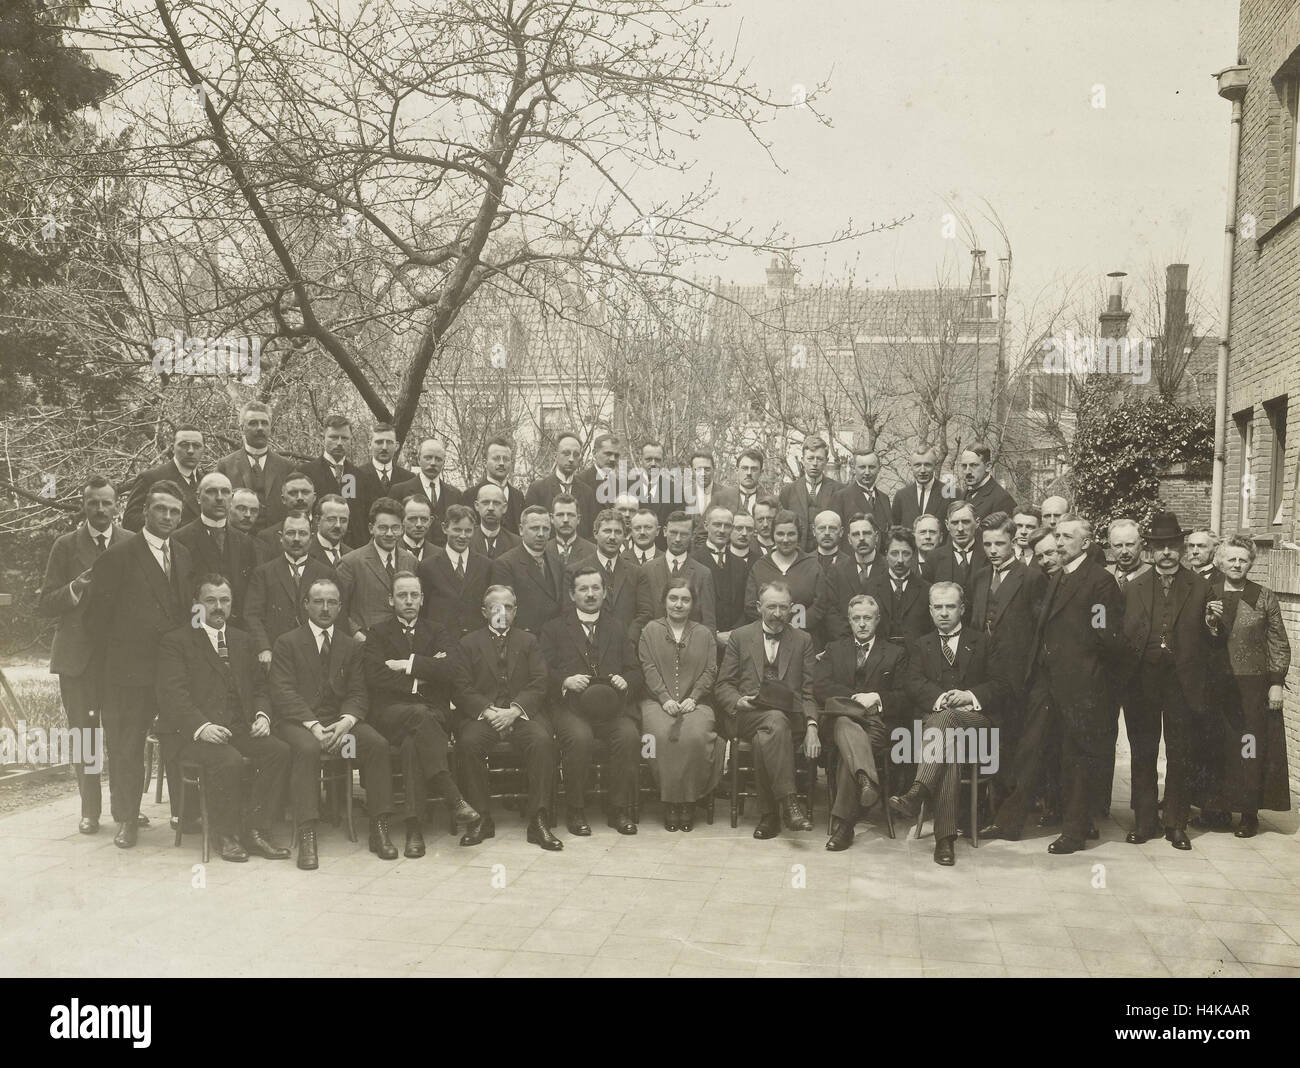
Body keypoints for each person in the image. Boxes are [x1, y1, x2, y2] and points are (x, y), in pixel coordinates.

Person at [984, 515, 1126, 854]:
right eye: (1057, 536)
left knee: (1075, 756)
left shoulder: (1100, 582)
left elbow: (1106, 637)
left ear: (1086, 543)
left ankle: (1075, 832)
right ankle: (1009, 823)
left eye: (1066, 537)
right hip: (1045, 681)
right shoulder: (1057, 576)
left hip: (1079, 684)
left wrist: (1085, 672)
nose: (1059, 543)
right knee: (1029, 751)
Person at [85, 480, 193, 848]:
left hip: (172, 671)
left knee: (180, 737)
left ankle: (185, 814)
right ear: (145, 511)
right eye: (160, 509)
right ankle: (126, 820)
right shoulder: (117, 556)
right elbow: (96, 622)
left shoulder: (184, 555)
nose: (167, 517)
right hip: (127, 674)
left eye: (174, 511)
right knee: (127, 747)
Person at [155, 574, 291, 862]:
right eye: (210, 600)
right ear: (196, 605)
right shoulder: (176, 641)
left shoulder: (242, 640)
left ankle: (257, 830)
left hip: (236, 727)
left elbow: (259, 687)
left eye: (225, 600)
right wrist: (201, 726)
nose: (219, 607)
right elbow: (173, 695)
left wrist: (262, 715)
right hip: (189, 733)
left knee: (278, 751)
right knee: (227, 759)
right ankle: (225, 834)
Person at [270, 577, 396, 869]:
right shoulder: (287, 642)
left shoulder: (350, 645)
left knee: (376, 744)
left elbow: (358, 691)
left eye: (331, 602)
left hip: (339, 725)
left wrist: (346, 722)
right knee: (308, 749)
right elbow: (283, 692)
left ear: (340, 607)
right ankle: (307, 831)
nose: (325, 608)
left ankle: (380, 827)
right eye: (318, 601)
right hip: (298, 724)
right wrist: (313, 725)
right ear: (306, 605)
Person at [1119, 511, 1221, 850]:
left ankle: (1176, 824)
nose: (1166, 552)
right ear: (1150, 550)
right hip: (1142, 681)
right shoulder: (1134, 587)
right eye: (1159, 546)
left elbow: (1215, 638)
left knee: (1180, 752)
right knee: (1143, 752)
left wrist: (1213, 623)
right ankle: (1145, 821)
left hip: (1183, 681)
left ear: (1180, 547)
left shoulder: (1202, 586)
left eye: (1171, 546)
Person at [38, 475, 133, 834]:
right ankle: (90, 811)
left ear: (116, 506)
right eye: (93, 502)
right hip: (78, 659)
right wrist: (74, 588)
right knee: (85, 736)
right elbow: (45, 602)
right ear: (83, 505)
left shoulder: (131, 542)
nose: (100, 509)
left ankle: (125, 809)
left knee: (122, 736)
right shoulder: (65, 546)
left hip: (120, 661)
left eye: (107, 502)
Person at [889, 582, 1008, 866]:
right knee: (948, 742)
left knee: (949, 720)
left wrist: (969, 695)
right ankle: (945, 840)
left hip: (976, 725)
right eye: (938, 607)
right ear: (930, 611)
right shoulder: (920, 645)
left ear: (962, 609)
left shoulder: (983, 641)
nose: (944, 613)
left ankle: (918, 791)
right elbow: (913, 683)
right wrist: (943, 697)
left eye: (950, 607)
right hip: (937, 729)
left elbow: (1001, 684)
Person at [362, 572, 480, 857]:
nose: (409, 601)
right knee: (419, 716)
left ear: (423, 599)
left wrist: (407, 663)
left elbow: (452, 669)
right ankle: (452, 797)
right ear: (391, 599)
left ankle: (414, 828)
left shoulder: (437, 630)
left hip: (431, 716)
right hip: (390, 715)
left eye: (414, 595)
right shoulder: (377, 633)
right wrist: (425, 673)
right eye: (402, 595)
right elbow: (375, 676)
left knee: (414, 744)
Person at [451, 586, 562, 850]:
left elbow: (539, 682)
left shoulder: (529, 641)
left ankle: (538, 819)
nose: (502, 613)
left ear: (516, 611)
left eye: (508, 607)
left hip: (521, 714)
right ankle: (480, 818)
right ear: (484, 612)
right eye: (495, 607)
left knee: (543, 742)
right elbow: (461, 687)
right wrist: (489, 711)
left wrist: (514, 711)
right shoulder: (468, 643)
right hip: (484, 715)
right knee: (468, 744)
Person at [540, 564, 643, 837]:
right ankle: (576, 809)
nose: (590, 594)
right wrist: (565, 681)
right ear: (572, 595)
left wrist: (626, 681)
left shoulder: (617, 627)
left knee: (629, 736)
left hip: (612, 709)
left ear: (605, 592)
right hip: (571, 708)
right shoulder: (553, 628)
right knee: (579, 738)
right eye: (583, 589)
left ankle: (618, 809)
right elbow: (541, 671)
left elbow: (635, 671)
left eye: (595, 588)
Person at [1202, 535, 1292, 837]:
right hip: (1216, 686)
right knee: (1218, 747)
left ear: (1251, 563)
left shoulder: (1262, 596)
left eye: (1243, 560)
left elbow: (1278, 641)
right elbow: (1199, 642)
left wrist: (1276, 683)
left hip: (1253, 687)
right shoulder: (1208, 593)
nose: (1237, 564)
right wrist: (1209, 623)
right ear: (1220, 561)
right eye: (1231, 559)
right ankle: (1219, 811)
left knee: (1249, 749)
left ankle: (1249, 814)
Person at [715, 581, 817, 838]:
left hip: (787, 719)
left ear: (792, 609)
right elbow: (723, 685)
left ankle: (769, 815)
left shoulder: (803, 639)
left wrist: (813, 726)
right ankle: (791, 803)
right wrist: (738, 701)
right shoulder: (740, 636)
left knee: (769, 732)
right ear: (759, 607)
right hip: (745, 715)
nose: (777, 613)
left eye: (783, 607)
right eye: (771, 607)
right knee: (772, 722)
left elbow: (808, 692)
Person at [816, 594, 907, 852]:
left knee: (850, 751)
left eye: (867, 618)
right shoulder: (835, 649)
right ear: (849, 621)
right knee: (845, 724)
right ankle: (864, 784)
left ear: (877, 620)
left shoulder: (896, 653)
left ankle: (846, 823)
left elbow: (904, 695)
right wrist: (855, 702)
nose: (862, 624)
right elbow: (820, 687)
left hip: (877, 725)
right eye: (856, 619)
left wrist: (876, 698)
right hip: (838, 724)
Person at [638, 578, 723, 832]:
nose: (679, 604)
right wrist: (664, 699)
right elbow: (648, 667)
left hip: (695, 703)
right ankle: (669, 803)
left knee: (696, 735)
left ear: (693, 604)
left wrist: (693, 698)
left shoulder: (704, 634)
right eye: (673, 598)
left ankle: (687, 802)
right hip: (656, 702)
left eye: (685, 599)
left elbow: (710, 670)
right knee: (662, 736)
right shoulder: (650, 631)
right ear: (664, 601)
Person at [244, 514, 336, 664]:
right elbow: (252, 615)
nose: (297, 539)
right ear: (281, 537)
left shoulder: (327, 573)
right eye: (291, 533)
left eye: (303, 533)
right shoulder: (264, 573)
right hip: (276, 654)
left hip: (317, 654)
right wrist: (264, 648)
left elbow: (336, 616)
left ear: (311, 538)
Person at [173, 472, 259, 628]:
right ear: (198, 497)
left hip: (237, 632)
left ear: (231, 498)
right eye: (211, 491)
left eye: (225, 492)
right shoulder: (180, 539)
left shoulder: (245, 542)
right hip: (196, 627)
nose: (219, 498)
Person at [336, 497, 418, 637]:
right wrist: (355, 633)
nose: (389, 534)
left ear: (402, 529)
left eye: (395, 528)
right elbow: (336, 606)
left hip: (403, 643)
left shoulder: (411, 561)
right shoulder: (351, 562)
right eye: (383, 528)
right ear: (371, 528)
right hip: (366, 643)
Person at [215, 402, 294, 532]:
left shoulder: (286, 467)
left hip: (276, 543)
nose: (260, 428)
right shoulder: (225, 465)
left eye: (264, 423)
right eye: (253, 423)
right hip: (237, 541)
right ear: (241, 428)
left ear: (270, 428)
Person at [416, 504, 492, 639]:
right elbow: (423, 611)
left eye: (468, 531)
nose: (462, 536)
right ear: (445, 528)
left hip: (476, 643)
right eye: (457, 530)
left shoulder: (485, 565)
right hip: (441, 642)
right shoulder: (427, 567)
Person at [488, 506, 565, 635]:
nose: (541, 534)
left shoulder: (557, 563)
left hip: (554, 641)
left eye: (545, 529)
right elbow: (500, 616)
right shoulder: (505, 564)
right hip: (523, 642)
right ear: (521, 530)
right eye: (535, 528)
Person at [641, 511, 717, 639]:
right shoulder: (647, 569)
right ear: (665, 531)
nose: (677, 539)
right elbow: (642, 615)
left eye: (684, 534)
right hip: (654, 646)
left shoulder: (703, 573)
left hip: (691, 648)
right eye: (673, 532)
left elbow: (708, 623)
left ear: (692, 536)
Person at [123, 424, 204, 531]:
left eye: (196, 446)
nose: (190, 451)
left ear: (203, 449)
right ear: (172, 447)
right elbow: (130, 520)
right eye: (184, 445)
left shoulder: (205, 481)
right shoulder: (151, 478)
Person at [347, 423, 414, 548]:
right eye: (379, 442)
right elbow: (351, 519)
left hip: (400, 549)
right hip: (364, 549)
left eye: (389, 442)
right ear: (369, 444)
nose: (384, 447)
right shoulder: (352, 477)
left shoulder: (409, 479)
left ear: (397, 446)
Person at [588, 508, 652, 635]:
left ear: (624, 536)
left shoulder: (637, 573)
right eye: (607, 531)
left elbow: (645, 613)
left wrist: (627, 640)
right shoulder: (577, 570)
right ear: (595, 533)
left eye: (618, 532)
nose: (612, 537)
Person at [824, 514, 886, 642]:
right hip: (845, 643)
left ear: (877, 536)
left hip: (882, 645)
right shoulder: (836, 571)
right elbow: (831, 612)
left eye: (867, 533)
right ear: (849, 539)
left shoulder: (889, 568)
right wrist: (852, 641)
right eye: (856, 534)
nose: (862, 538)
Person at [524, 432, 598, 539]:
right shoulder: (538, 489)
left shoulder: (587, 492)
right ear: (555, 455)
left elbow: (591, 532)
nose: (571, 459)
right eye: (566, 453)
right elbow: (530, 527)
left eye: (576, 454)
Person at [390, 437, 461, 546]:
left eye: (438, 459)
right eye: (428, 458)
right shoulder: (400, 490)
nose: (433, 463)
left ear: (444, 462)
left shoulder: (455, 494)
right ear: (418, 459)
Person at [693, 505, 748, 644]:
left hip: (735, 641)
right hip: (702, 641)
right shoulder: (692, 561)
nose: (722, 530)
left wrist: (734, 634)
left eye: (727, 526)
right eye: (717, 525)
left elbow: (746, 604)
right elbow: (692, 607)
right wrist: (714, 635)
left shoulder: (741, 565)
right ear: (706, 526)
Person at [779, 436, 843, 552]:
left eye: (819, 459)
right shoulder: (788, 491)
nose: (815, 463)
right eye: (810, 458)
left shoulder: (839, 490)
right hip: (797, 555)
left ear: (826, 461)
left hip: (827, 554)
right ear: (802, 460)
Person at [871, 527, 932, 645]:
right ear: (886, 554)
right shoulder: (871, 588)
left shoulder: (926, 590)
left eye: (906, 554)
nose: (900, 560)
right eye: (894, 553)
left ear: (914, 555)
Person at [921, 501, 987, 594]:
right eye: (955, 523)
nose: (960, 529)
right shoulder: (934, 558)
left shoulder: (988, 554)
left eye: (966, 522)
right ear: (947, 525)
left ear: (977, 522)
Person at [466, 436, 523, 534]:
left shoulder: (519, 496)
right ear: (484, 462)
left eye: (506, 459)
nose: (501, 463)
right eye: (496, 458)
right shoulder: (470, 495)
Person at [831, 448, 893, 537]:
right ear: (853, 469)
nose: (867, 472)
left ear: (879, 469)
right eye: (862, 467)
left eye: (871, 467)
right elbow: (835, 534)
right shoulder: (841, 497)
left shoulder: (884, 498)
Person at [301, 413, 359, 502]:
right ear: (323, 437)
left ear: (351, 439)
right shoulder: (305, 472)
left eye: (344, 438)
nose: (339, 443)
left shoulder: (360, 476)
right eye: (334, 437)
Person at [891, 443, 947, 530]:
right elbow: (895, 531)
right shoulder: (901, 496)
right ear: (910, 467)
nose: (922, 470)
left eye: (927, 465)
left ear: (935, 466)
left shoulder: (949, 493)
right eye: (917, 465)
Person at [956, 444, 1018, 520]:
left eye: (973, 465)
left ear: (988, 467)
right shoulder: (963, 495)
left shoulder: (1002, 499)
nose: (967, 471)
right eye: (964, 466)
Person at [468, 482, 520, 559]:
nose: (491, 508)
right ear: (477, 506)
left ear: (504, 508)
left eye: (496, 503)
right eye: (485, 502)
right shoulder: (467, 540)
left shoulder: (516, 543)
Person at [548, 493, 595, 567]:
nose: (565, 520)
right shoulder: (544, 551)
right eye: (560, 515)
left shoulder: (593, 551)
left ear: (578, 519)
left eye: (570, 515)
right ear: (552, 518)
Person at [307, 494, 351, 568]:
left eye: (343, 520)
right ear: (317, 520)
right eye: (331, 519)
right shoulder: (305, 552)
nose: (338, 525)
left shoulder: (352, 555)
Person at [398, 495, 435, 564]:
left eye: (424, 519)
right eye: (412, 519)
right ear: (402, 520)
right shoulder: (392, 550)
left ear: (430, 521)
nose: (419, 524)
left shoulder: (439, 554)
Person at [734, 447, 766, 518]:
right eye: (745, 468)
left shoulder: (770, 501)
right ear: (737, 470)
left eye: (754, 469)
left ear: (761, 472)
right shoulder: (721, 498)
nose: (749, 473)